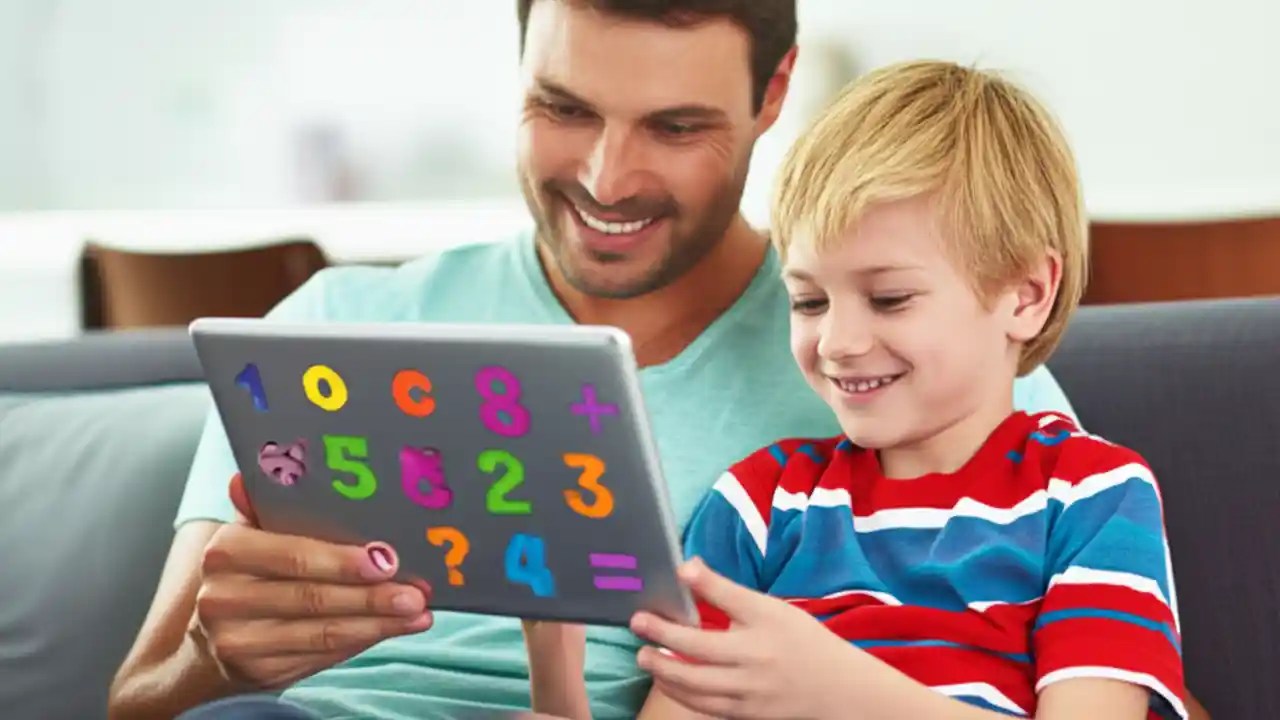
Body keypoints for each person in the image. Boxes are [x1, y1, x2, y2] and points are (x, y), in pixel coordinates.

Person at [106, 3, 1080, 719]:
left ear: (771, 94)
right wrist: (213, 655)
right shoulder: (326, 328)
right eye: (563, 109)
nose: (605, 178)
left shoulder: (927, 373)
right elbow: (136, 701)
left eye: (674, 126)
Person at [522, 59, 1191, 719]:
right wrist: (555, 671)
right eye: (809, 301)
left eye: (890, 298)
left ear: (1027, 295)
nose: (838, 341)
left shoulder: (1090, 495)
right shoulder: (760, 504)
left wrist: (841, 692)